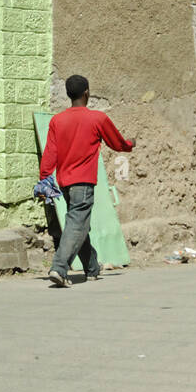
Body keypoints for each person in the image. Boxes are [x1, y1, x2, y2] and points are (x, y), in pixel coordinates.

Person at [39, 75, 135, 286]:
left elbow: (50, 153)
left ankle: (91, 267)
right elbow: (117, 143)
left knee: (79, 224)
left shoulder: (57, 120)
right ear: (87, 93)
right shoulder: (97, 118)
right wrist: (130, 144)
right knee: (77, 224)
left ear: (68, 95)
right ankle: (59, 268)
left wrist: (44, 178)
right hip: (83, 183)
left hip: (64, 183)